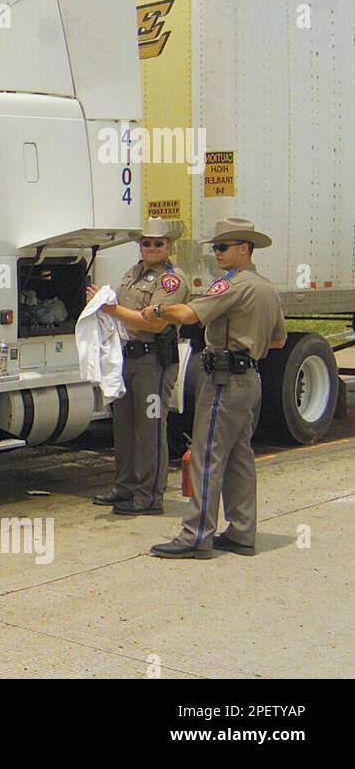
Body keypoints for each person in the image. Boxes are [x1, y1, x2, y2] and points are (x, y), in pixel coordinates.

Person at [140, 218, 286, 559]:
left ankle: (195, 535)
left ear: (244, 248)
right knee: (239, 457)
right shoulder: (265, 286)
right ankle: (241, 531)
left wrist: (158, 309)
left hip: (225, 379)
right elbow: (278, 339)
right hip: (249, 377)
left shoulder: (231, 285)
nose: (217, 253)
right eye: (215, 247)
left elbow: (190, 314)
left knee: (207, 455)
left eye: (223, 247)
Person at [87, 218, 189, 515]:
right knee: (124, 427)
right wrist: (100, 302)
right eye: (147, 242)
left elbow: (154, 323)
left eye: (159, 243)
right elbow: (120, 309)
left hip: (153, 362)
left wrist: (112, 309)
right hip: (127, 358)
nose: (152, 248)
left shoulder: (171, 280)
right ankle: (125, 488)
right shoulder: (132, 274)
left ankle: (149, 497)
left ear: (169, 246)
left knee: (150, 429)